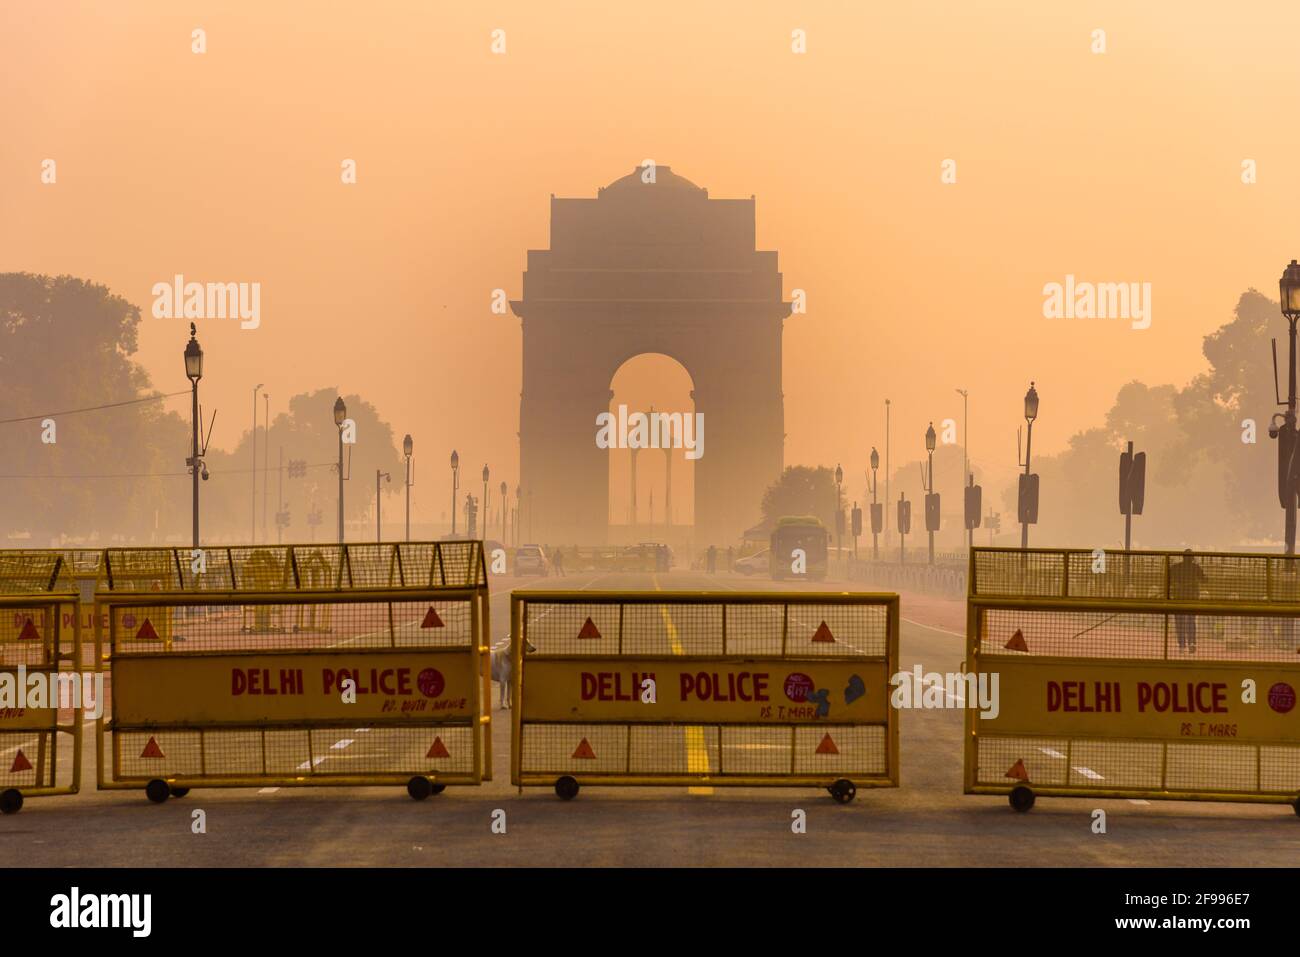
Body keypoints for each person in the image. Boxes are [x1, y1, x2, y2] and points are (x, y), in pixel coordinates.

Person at [1169, 549, 1207, 653]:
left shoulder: (1175, 568)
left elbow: (1168, 579)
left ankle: (1182, 645)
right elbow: (1205, 580)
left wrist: (1175, 585)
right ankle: (1192, 642)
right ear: (1192, 558)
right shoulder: (1195, 567)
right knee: (1191, 620)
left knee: (1179, 621)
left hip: (1178, 597)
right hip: (1192, 597)